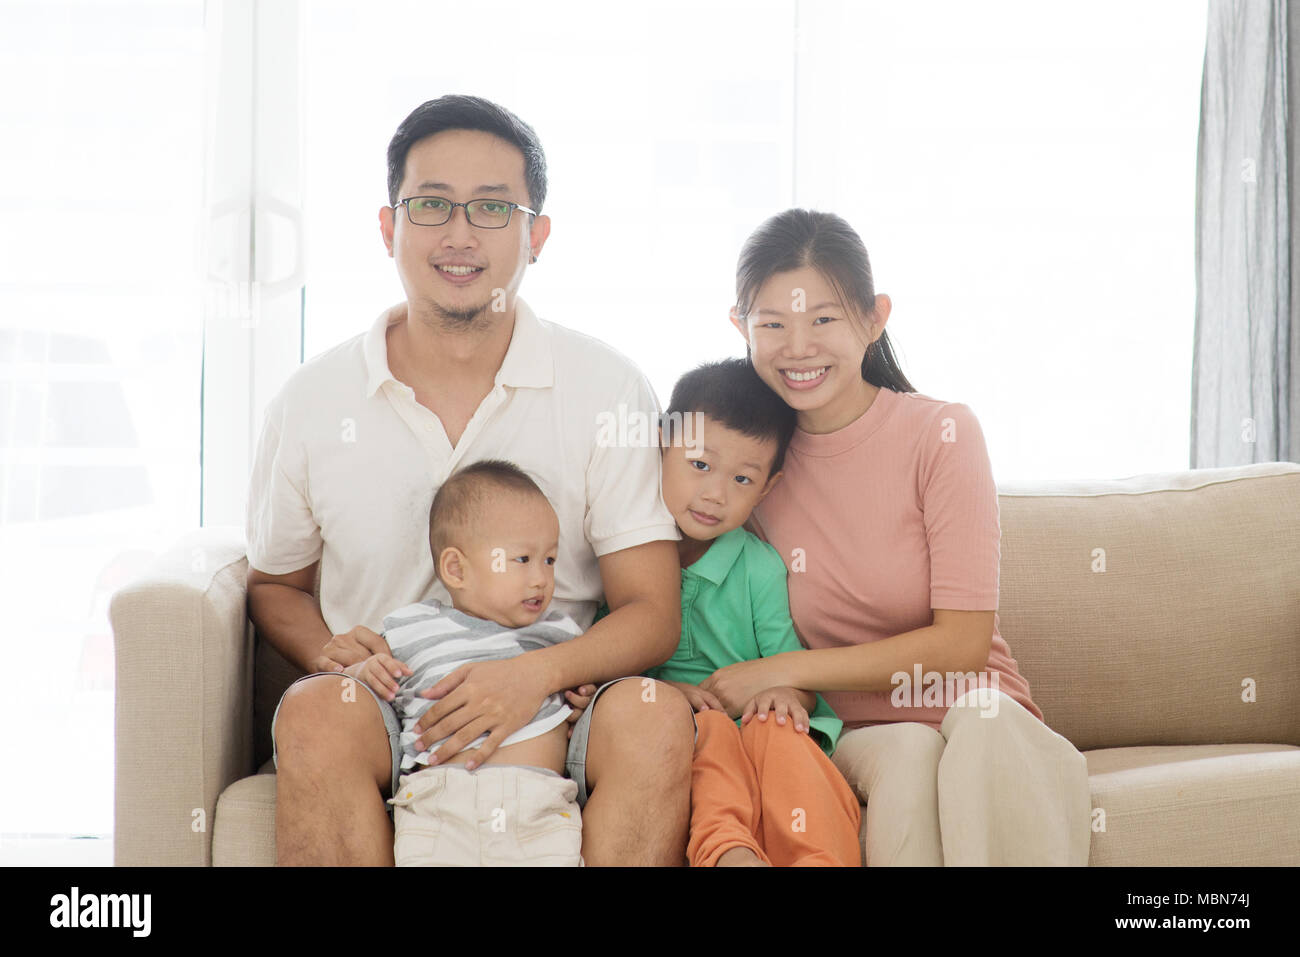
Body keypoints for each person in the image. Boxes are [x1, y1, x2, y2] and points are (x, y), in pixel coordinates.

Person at [248, 95, 695, 866]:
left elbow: (652, 612)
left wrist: (535, 673)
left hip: (555, 707)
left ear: (537, 234)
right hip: (386, 708)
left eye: (493, 207)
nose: (459, 234)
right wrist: (333, 651)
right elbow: (273, 586)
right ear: (389, 227)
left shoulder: (606, 386)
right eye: (431, 205)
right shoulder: (312, 400)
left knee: (656, 712)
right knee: (317, 713)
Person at [700, 208, 1092, 866]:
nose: (798, 347)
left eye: (823, 319)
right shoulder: (750, 470)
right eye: (773, 324)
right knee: (908, 753)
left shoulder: (941, 433)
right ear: (740, 327)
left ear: (874, 317)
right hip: (857, 732)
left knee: (985, 724)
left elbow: (963, 644)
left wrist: (780, 669)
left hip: (978, 713)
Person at [646, 357, 862, 866]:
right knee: (709, 731)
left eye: (743, 480)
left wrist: (786, 696)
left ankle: (819, 857)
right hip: (685, 728)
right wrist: (672, 695)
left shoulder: (759, 568)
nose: (715, 494)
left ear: (767, 488)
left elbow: (795, 675)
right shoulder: (630, 553)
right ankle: (729, 852)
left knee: (773, 727)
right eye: (699, 465)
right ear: (661, 446)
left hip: (760, 730)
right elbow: (611, 670)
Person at [357, 460, 585, 866]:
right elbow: (364, 684)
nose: (541, 578)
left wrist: (585, 692)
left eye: (549, 560)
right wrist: (361, 671)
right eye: (522, 559)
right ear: (456, 569)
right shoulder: (410, 628)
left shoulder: (559, 634)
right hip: (437, 803)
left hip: (539, 808)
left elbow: (594, 689)